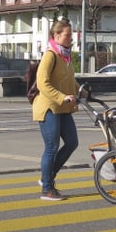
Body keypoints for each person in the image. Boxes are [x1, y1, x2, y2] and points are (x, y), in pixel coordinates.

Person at [32, 19, 80, 201]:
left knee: (72, 142)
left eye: (71, 35)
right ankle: (47, 188)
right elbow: (42, 83)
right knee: (51, 147)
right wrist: (62, 97)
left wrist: (81, 90)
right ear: (56, 35)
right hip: (48, 107)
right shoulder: (50, 55)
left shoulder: (65, 56)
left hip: (63, 108)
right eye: (67, 35)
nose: (70, 38)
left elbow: (69, 80)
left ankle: (47, 177)